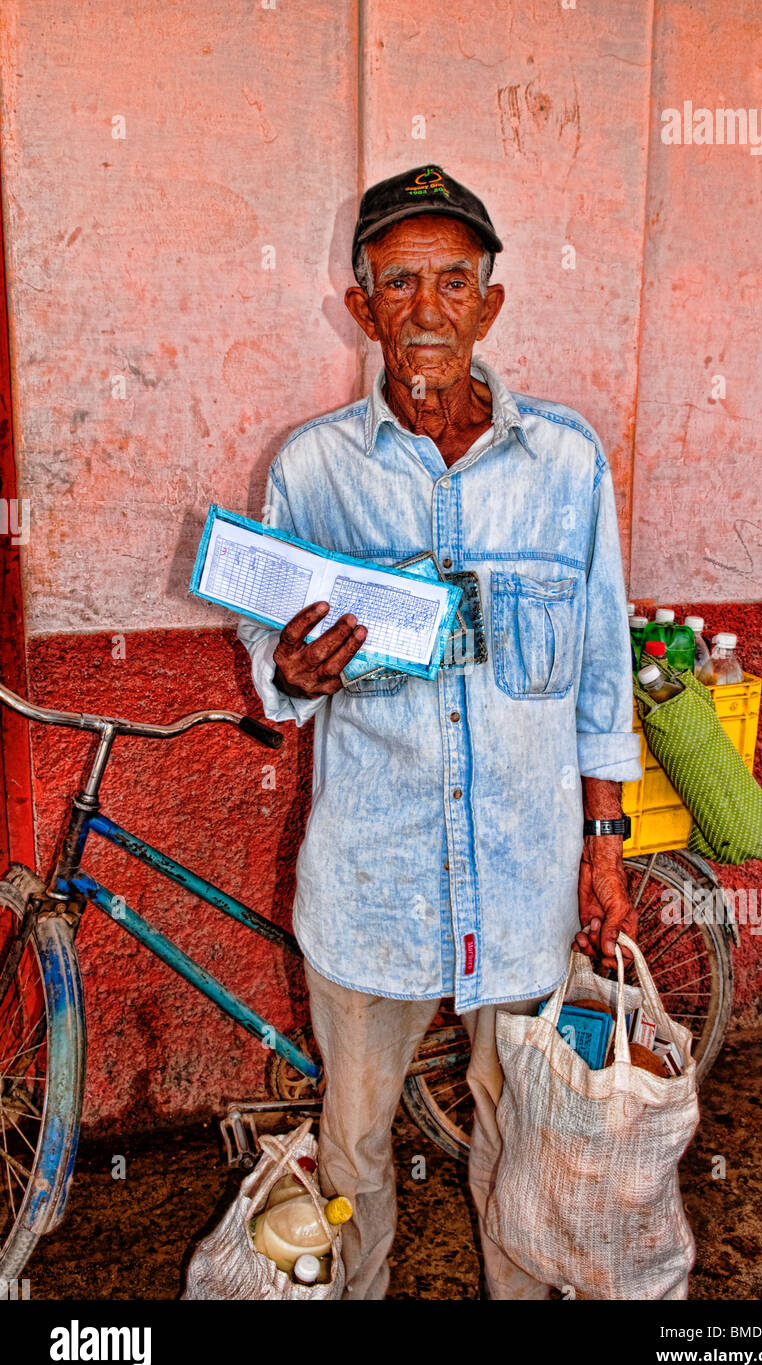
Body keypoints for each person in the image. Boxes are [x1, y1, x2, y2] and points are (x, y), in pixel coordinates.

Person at [237, 163, 643, 1300]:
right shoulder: (312, 468)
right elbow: (273, 682)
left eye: (452, 280)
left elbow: (602, 674)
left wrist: (603, 841)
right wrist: (291, 671)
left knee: (521, 1140)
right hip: (374, 883)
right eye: (398, 282)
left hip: (521, 883)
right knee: (356, 1145)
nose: (426, 308)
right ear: (360, 308)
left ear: (490, 304)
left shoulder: (565, 464)